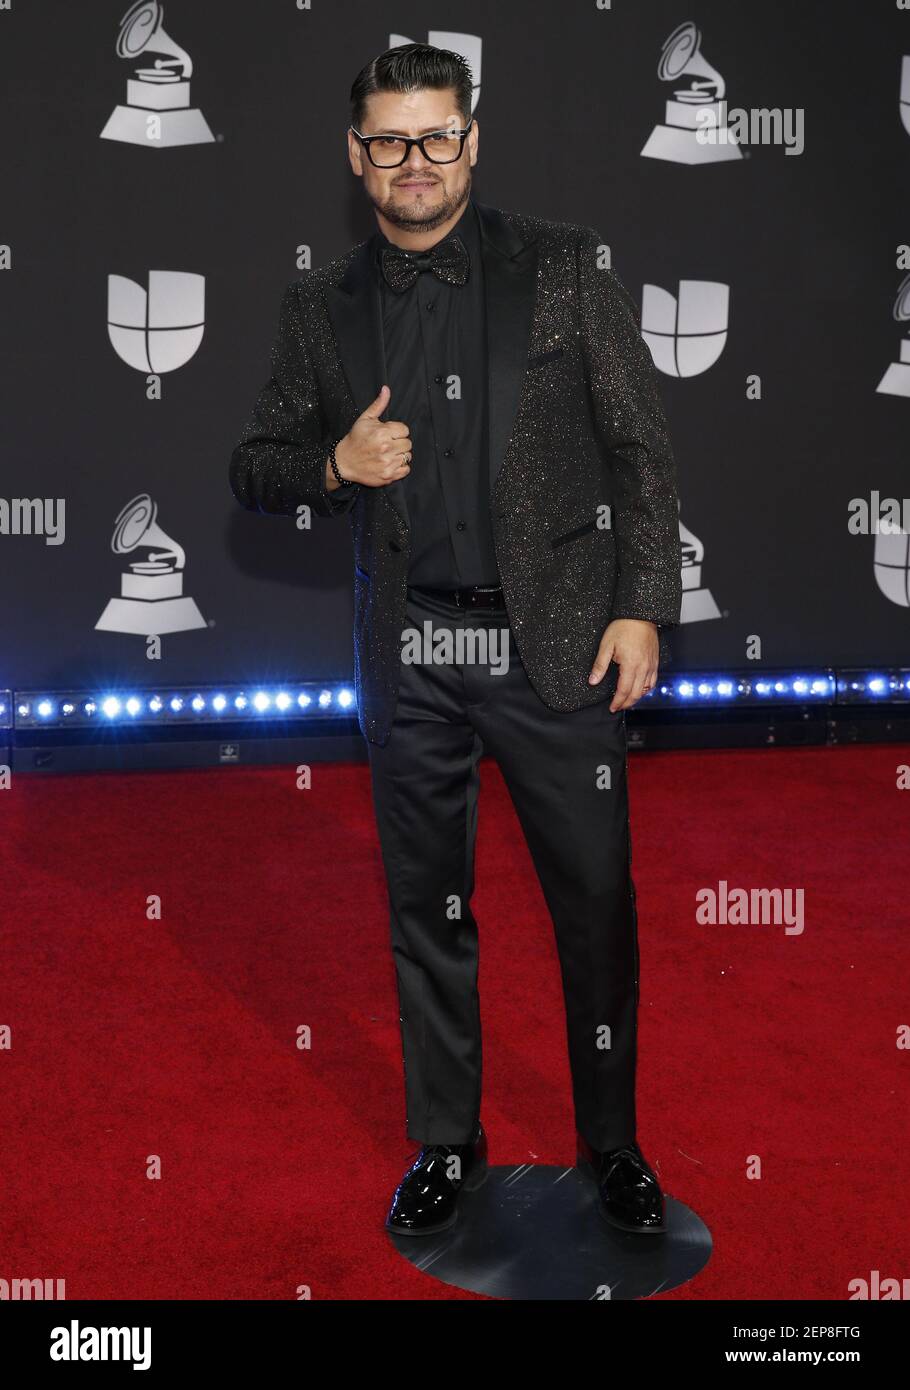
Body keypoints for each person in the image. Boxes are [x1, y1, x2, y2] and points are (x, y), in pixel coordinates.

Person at [230, 42, 683, 1238]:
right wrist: (333, 465)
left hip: (560, 647)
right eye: (388, 141)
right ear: (355, 157)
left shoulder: (566, 266)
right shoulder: (317, 307)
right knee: (426, 908)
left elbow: (639, 446)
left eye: (436, 136)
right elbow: (255, 465)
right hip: (414, 654)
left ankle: (612, 1143)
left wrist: (641, 602)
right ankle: (446, 1142)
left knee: (593, 901)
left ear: (471, 141)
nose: (413, 162)